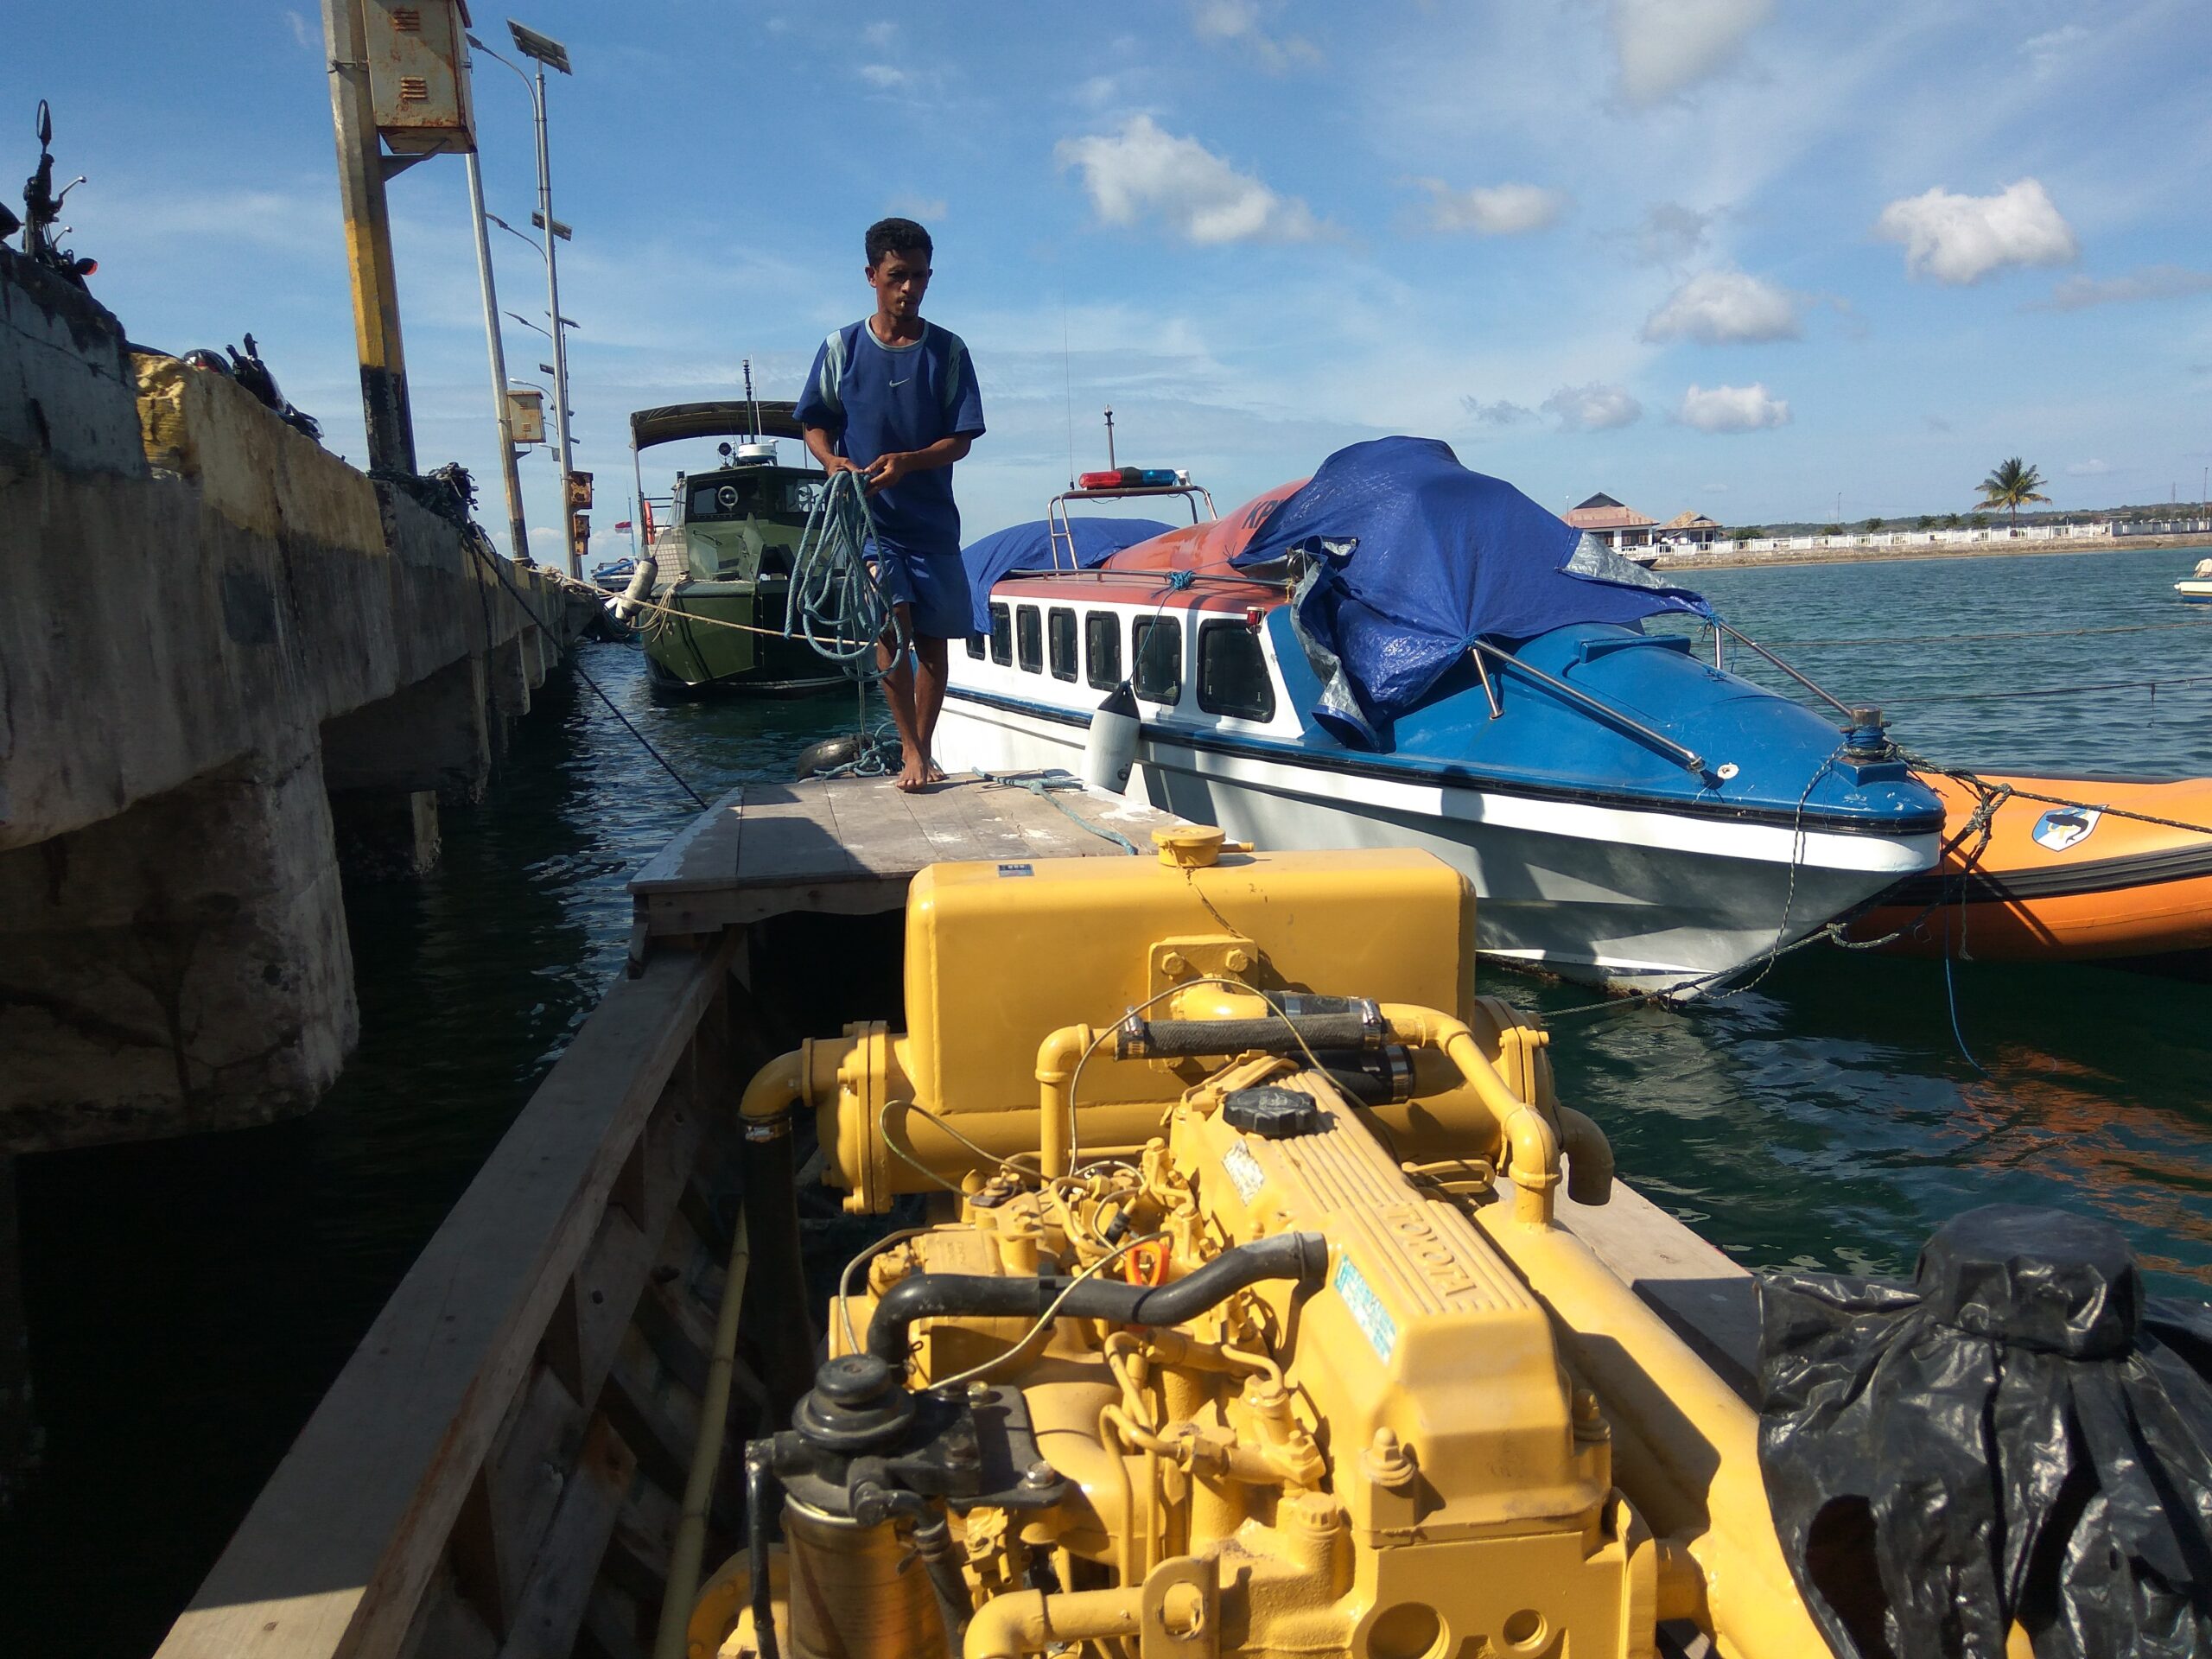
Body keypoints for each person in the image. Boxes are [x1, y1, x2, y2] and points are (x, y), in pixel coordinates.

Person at [795, 217, 986, 791]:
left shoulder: (949, 351)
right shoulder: (839, 349)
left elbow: (962, 439)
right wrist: (832, 462)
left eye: (921, 277)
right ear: (872, 275)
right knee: (892, 630)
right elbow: (814, 423)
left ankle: (924, 748)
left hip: (932, 526)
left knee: (932, 643)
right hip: (870, 526)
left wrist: (908, 462)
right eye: (898, 276)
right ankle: (907, 748)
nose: (910, 289)